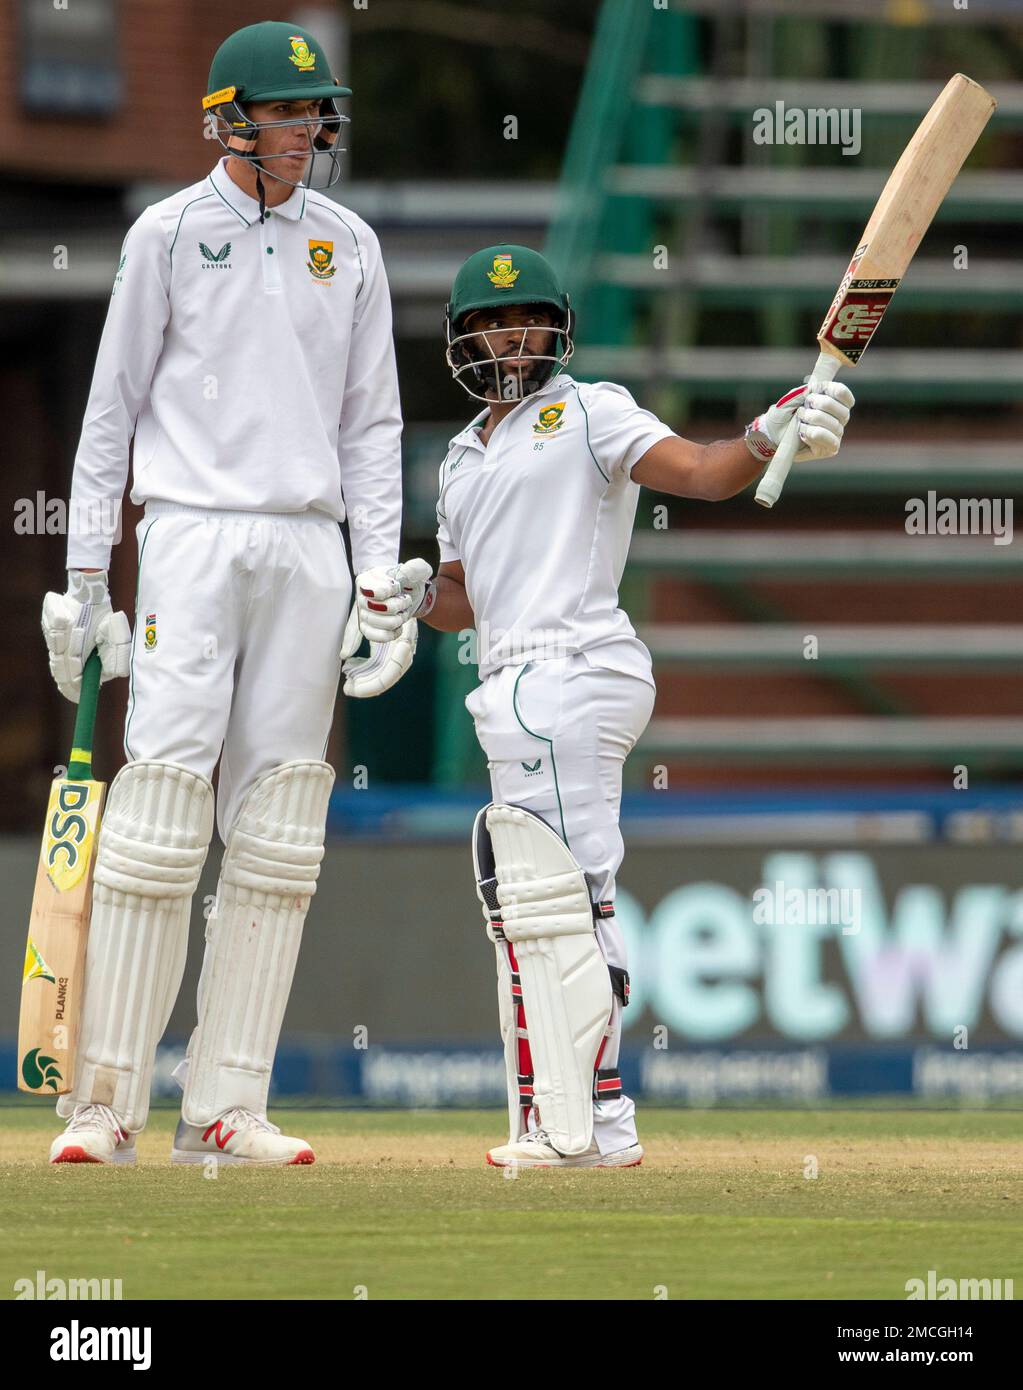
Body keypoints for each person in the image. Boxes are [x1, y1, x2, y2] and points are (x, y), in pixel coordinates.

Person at [351, 244, 855, 1168]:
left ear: (554, 327)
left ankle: (585, 1125)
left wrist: (765, 433)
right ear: (463, 337)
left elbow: (701, 472)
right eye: (489, 323)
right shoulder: (461, 457)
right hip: (505, 677)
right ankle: (582, 1120)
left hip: (575, 668)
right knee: (533, 904)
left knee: (567, 902)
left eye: (525, 318)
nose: (508, 336)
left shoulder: (591, 410)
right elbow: (472, 593)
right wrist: (419, 596)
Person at [41, 20, 411, 1167]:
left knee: (277, 833)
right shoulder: (166, 232)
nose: (311, 128)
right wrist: (82, 579)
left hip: (305, 546)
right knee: (157, 820)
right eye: (292, 111)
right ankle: (104, 1106)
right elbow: (110, 414)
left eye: (318, 113)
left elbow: (373, 424)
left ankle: (224, 1106)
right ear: (233, 118)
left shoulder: (349, 244)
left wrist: (379, 579)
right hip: (191, 536)